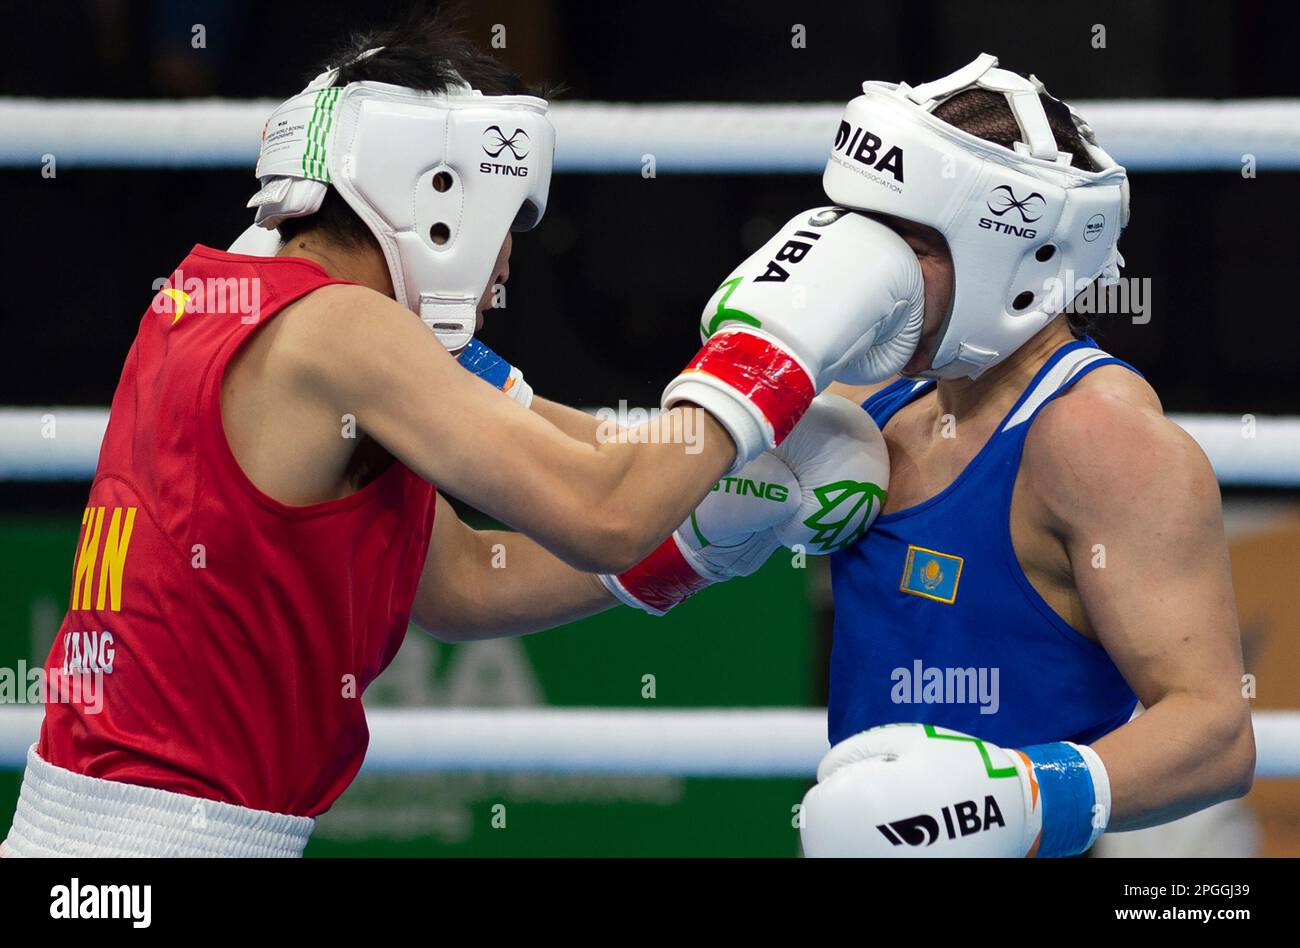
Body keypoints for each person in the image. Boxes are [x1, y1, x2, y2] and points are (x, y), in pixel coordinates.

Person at [0, 14, 921, 857]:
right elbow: (603, 512)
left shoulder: (204, 296)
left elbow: (456, 582)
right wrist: (774, 350)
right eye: (509, 219)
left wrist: (697, 544)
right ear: (439, 191)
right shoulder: (344, 333)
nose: (507, 263)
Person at [799, 55, 1255, 857]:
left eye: (908, 241)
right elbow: (619, 516)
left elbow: (1214, 733)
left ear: (1010, 253)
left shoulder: (1096, 439)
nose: (870, 272)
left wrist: (1007, 803)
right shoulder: (866, 403)